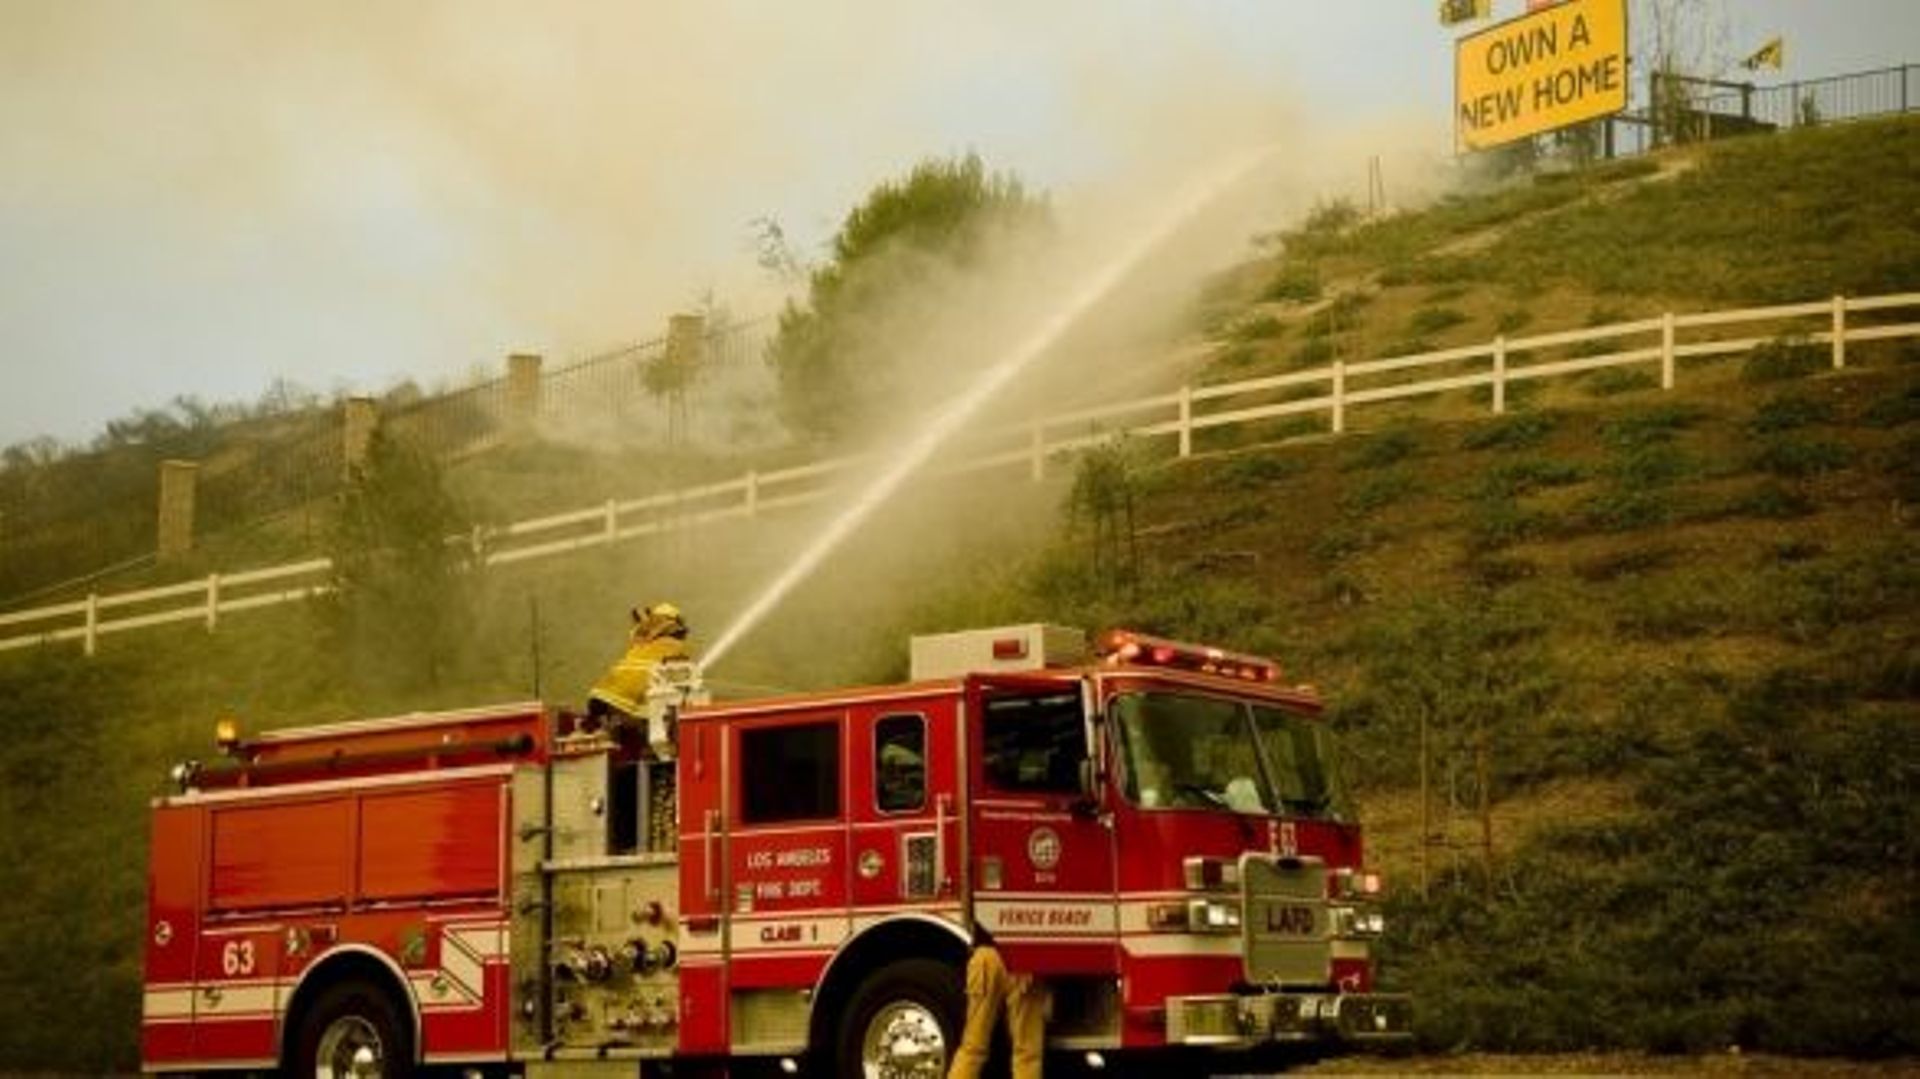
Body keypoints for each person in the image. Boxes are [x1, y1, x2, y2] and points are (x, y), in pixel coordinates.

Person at [948, 922, 1047, 1079]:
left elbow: (969, 910)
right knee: (1027, 1053)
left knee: (972, 1047)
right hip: (1023, 958)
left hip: (985, 957)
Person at [586, 602, 691, 722]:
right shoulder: (674, 646)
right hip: (636, 701)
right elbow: (680, 678)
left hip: (606, 692)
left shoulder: (641, 644)